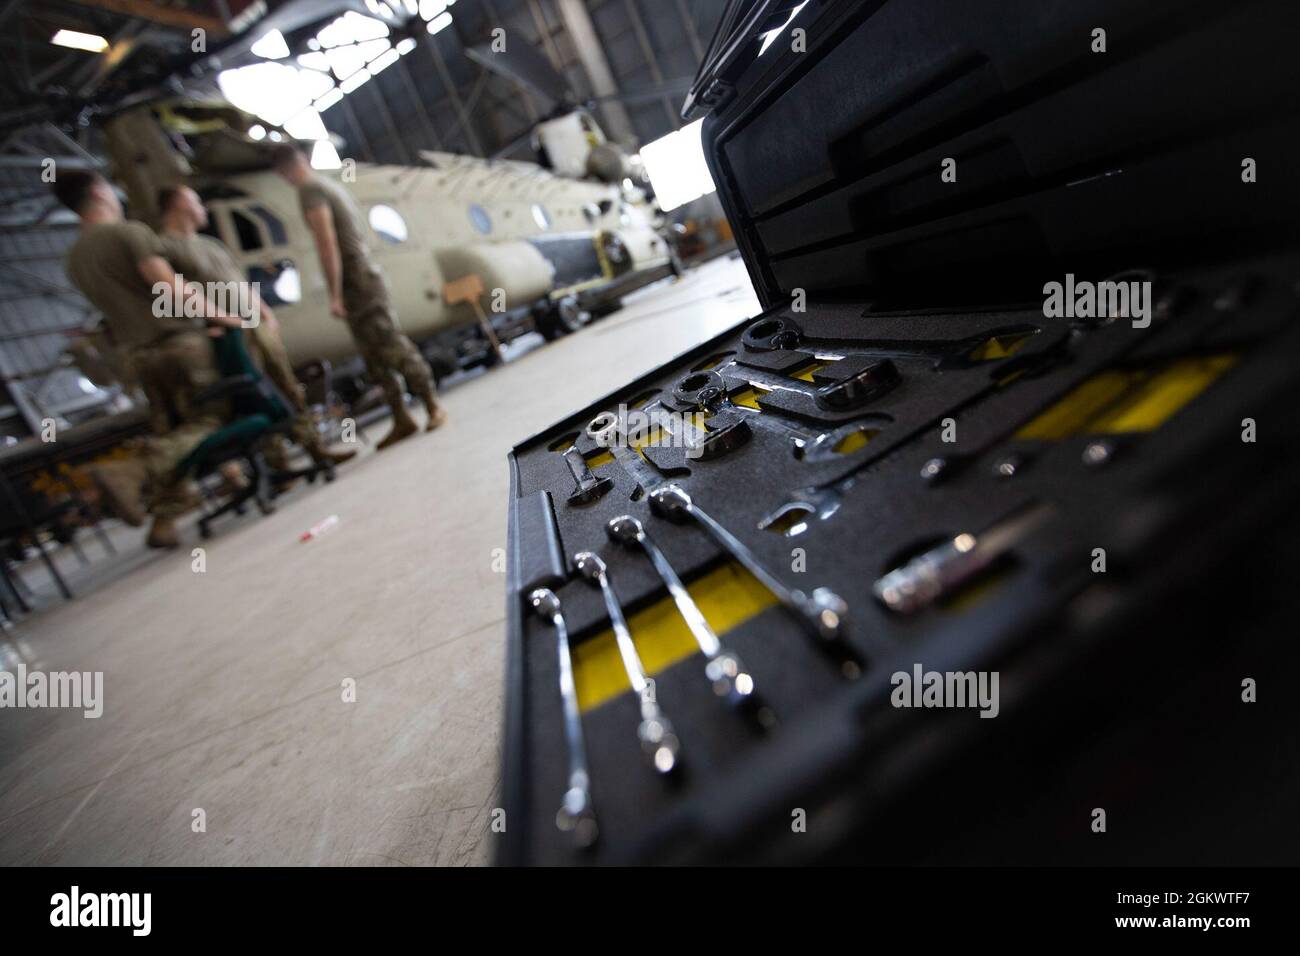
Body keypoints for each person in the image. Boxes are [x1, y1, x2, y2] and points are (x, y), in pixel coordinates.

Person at [53, 170, 245, 548]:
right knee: (213, 416)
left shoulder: (74, 259)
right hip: (179, 343)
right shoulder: (129, 233)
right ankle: (131, 469)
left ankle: (167, 519)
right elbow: (166, 285)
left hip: (137, 357)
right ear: (98, 191)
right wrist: (220, 315)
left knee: (176, 431)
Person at [155, 184, 356, 471]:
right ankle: (279, 465)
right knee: (256, 396)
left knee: (287, 387)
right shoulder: (166, 249)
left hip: (254, 324)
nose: (201, 207)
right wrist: (205, 327)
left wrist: (264, 313)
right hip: (228, 335)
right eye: (195, 201)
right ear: (178, 204)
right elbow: (172, 296)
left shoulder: (210, 245)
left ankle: (315, 449)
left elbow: (240, 284)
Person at [269, 143, 444, 448]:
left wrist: (334, 293)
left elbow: (328, 245)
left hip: (357, 281)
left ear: (282, 170)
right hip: (359, 279)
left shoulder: (310, 190)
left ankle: (432, 406)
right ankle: (402, 417)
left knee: (390, 345)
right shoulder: (327, 185)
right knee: (374, 355)